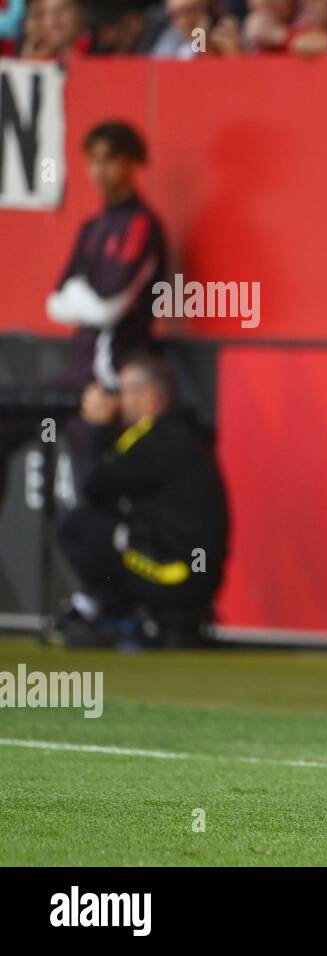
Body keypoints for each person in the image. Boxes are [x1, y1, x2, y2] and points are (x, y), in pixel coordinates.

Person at [0, 121, 166, 512]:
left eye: (109, 160)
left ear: (133, 163)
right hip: (76, 375)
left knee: (90, 483)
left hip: (111, 381)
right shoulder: (92, 227)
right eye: (92, 161)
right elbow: (56, 301)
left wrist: (83, 299)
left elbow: (107, 307)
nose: (99, 171)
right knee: (7, 422)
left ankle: (108, 562)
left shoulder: (142, 224)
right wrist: (82, 301)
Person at [53, 353, 230, 649]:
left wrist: (96, 426)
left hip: (177, 575)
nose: (117, 400)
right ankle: (116, 611)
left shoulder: (161, 440)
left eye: (122, 391)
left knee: (80, 528)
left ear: (149, 396)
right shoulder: (180, 435)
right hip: (196, 576)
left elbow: (94, 487)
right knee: (103, 528)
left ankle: (115, 615)